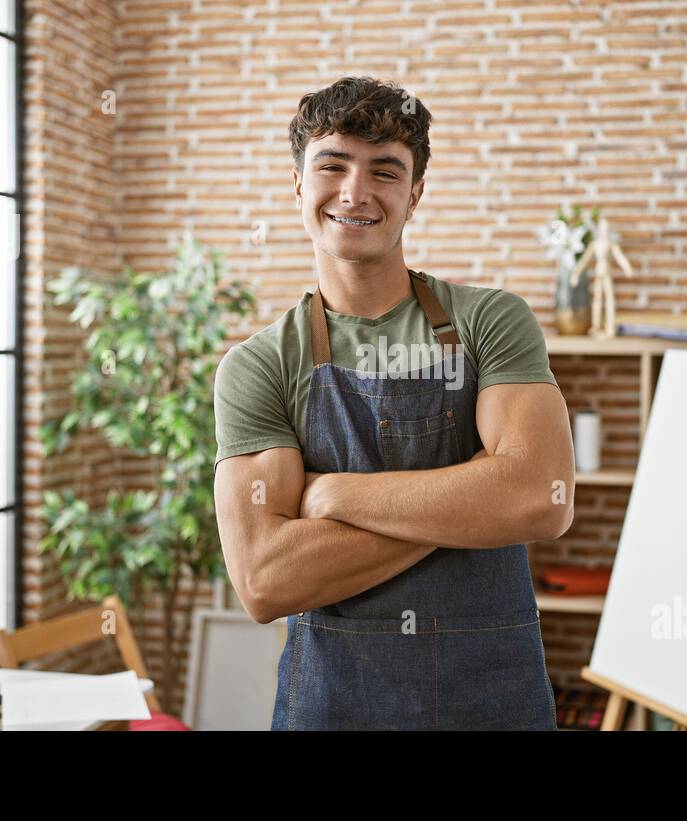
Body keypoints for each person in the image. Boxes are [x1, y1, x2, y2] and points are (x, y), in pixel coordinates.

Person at [213, 76, 575, 730]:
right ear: (299, 184)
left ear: (415, 194)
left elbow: (538, 497)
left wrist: (335, 496)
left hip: (492, 704)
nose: (356, 191)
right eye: (332, 165)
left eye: (385, 170)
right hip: (334, 705)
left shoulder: (490, 320)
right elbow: (266, 580)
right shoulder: (258, 365)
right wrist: (468, 502)